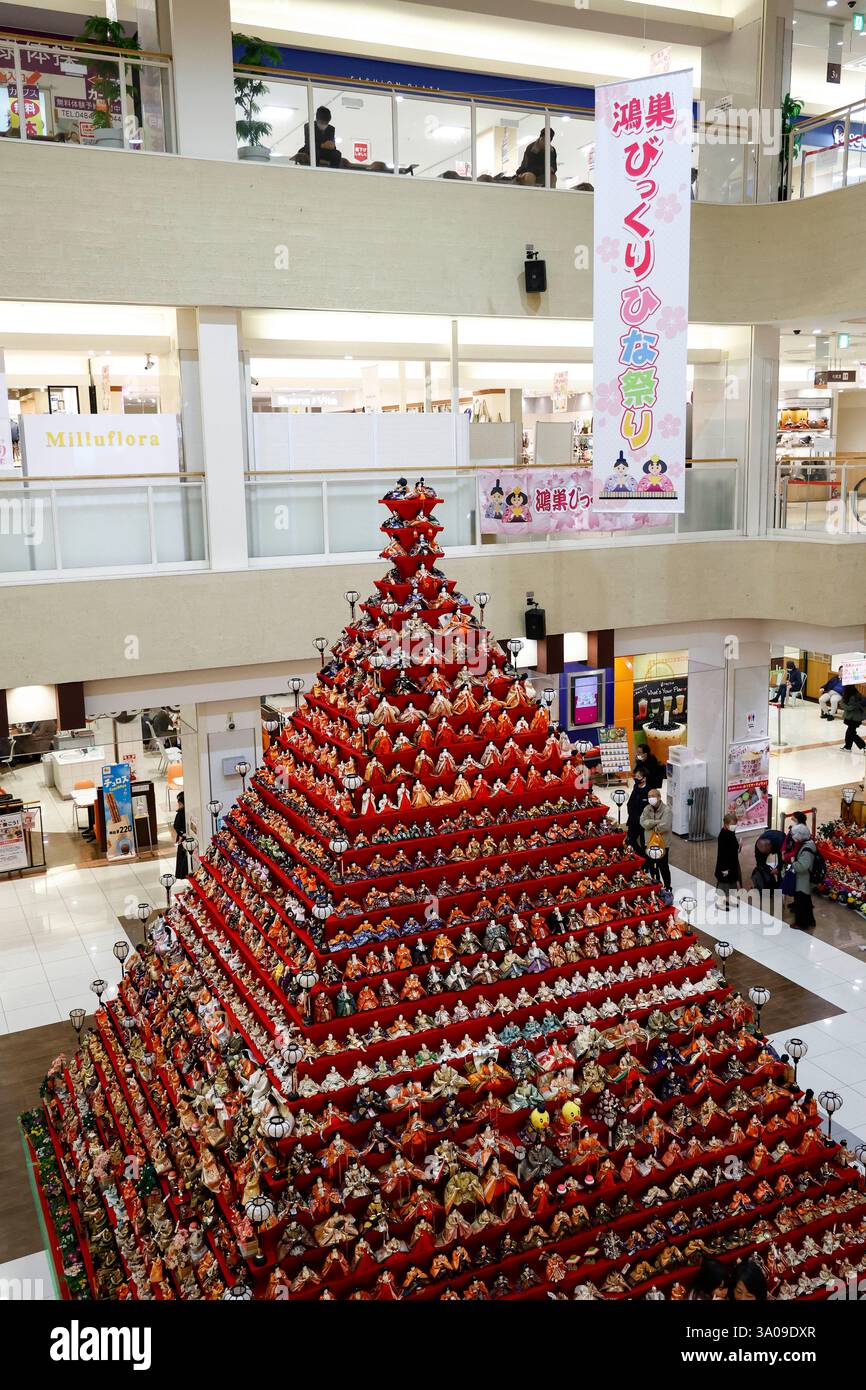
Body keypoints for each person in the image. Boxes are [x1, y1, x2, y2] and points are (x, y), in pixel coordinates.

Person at [640, 789, 672, 890]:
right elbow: (643, 823)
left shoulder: (666, 810)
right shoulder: (646, 809)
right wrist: (657, 821)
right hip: (649, 842)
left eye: (653, 796)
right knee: (652, 866)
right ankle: (656, 885)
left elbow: (665, 825)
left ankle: (667, 887)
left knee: (663, 866)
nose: (650, 798)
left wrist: (651, 824)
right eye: (649, 796)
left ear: (659, 797)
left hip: (662, 844)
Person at [789, 821, 817, 931]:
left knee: (801, 901)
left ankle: (801, 923)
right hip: (805, 879)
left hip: (803, 880)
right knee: (806, 901)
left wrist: (793, 863)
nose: (793, 837)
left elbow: (803, 866)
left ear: (800, 835)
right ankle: (810, 921)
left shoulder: (806, 849)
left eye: (794, 835)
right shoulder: (809, 844)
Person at [751, 827, 785, 913]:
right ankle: (764, 886)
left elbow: (782, 859)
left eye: (766, 852)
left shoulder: (780, 842)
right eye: (764, 853)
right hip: (766, 843)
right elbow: (759, 862)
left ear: (770, 847)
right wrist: (762, 870)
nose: (766, 854)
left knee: (781, 870)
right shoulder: (758, 845)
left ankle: (779, 887)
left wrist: (778, 868)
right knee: (761, 865)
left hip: (779, 841)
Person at [714, 813, 741, 911]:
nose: (734, 827)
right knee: (723, 884)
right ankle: (720, 902)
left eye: (735, 824)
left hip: (732, 863)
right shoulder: (723, 835)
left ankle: (729, 900)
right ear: (726, 824)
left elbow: (734, 845)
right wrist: (724, 868)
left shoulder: (731, 832)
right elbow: (722, 854)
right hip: (724, 865)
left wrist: (738, 846)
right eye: (732, 825)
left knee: (732, 883)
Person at [626, 768, 650, 858]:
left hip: (644, 823)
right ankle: (640, 856)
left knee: (645, 844)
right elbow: (630, 804)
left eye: (638, 777)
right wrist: (632, 816)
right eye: (635, 776)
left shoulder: (650, 791)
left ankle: (646, 862)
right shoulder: (635, 787)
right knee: (629, 841)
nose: (636, 778)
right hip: (633, 820)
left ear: (644, 778)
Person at [841, 684, 866, 751]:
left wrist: (856, 705)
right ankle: (848, 746)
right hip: (854, 718)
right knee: (850, 732)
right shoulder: (855, 694)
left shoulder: (852, 695)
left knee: (851, 733)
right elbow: (844, 704)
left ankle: (863, 745)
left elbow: (846, 706)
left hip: (854, 718)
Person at [174, 791, 189, 880]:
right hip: (185, 838)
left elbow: (176, 826)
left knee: (183, 859)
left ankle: (183, 874)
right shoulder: (185, 812)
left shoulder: (180, 813)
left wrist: (181, 835)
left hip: (182, 839)